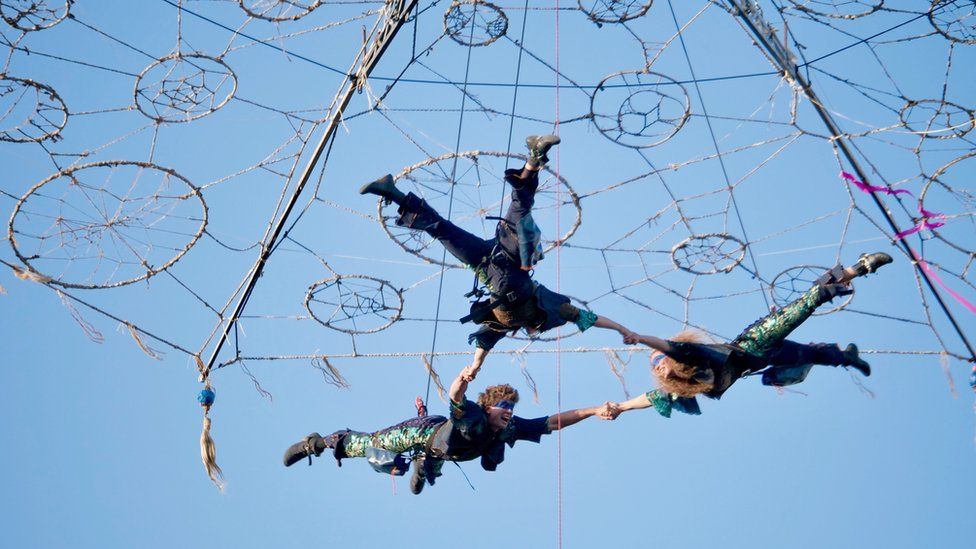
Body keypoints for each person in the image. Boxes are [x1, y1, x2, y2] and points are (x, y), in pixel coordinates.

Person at [359, 135, 637, 371]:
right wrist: (622, 329)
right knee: (519, 211)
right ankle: (534, 157)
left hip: (482, 262)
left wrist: (474, 368)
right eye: (534, 331)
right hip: (513, 259)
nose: (531, 333)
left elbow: (482, 345)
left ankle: (392, 191)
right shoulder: (549, 307)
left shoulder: (501, 326)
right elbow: (590, 318)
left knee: (441, 229)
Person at [602, 253, 893, 419]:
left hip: (755, 342)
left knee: (801, 308)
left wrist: (640, 338)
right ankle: (846, 357)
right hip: (763, 360)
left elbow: (666, 346)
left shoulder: (687, 355)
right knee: (811, 354)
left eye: (659, 360)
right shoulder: (684, 388)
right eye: (655, 365)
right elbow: (650, 398)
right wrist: (621, 407)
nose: (659, 364)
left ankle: (859, 267)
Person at [283, 364, 614, 494]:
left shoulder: (508, 429)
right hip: (423, 434)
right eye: (504, 407)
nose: (509, 414)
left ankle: (421, 468)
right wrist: (463, 377)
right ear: (488, 406)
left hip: (443, 451)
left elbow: (553, 422)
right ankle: (313, 443)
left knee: (425, 476)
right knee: (370, 447)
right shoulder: (471, 412)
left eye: (512, 409)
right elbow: (455, 395)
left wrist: (592, 410)